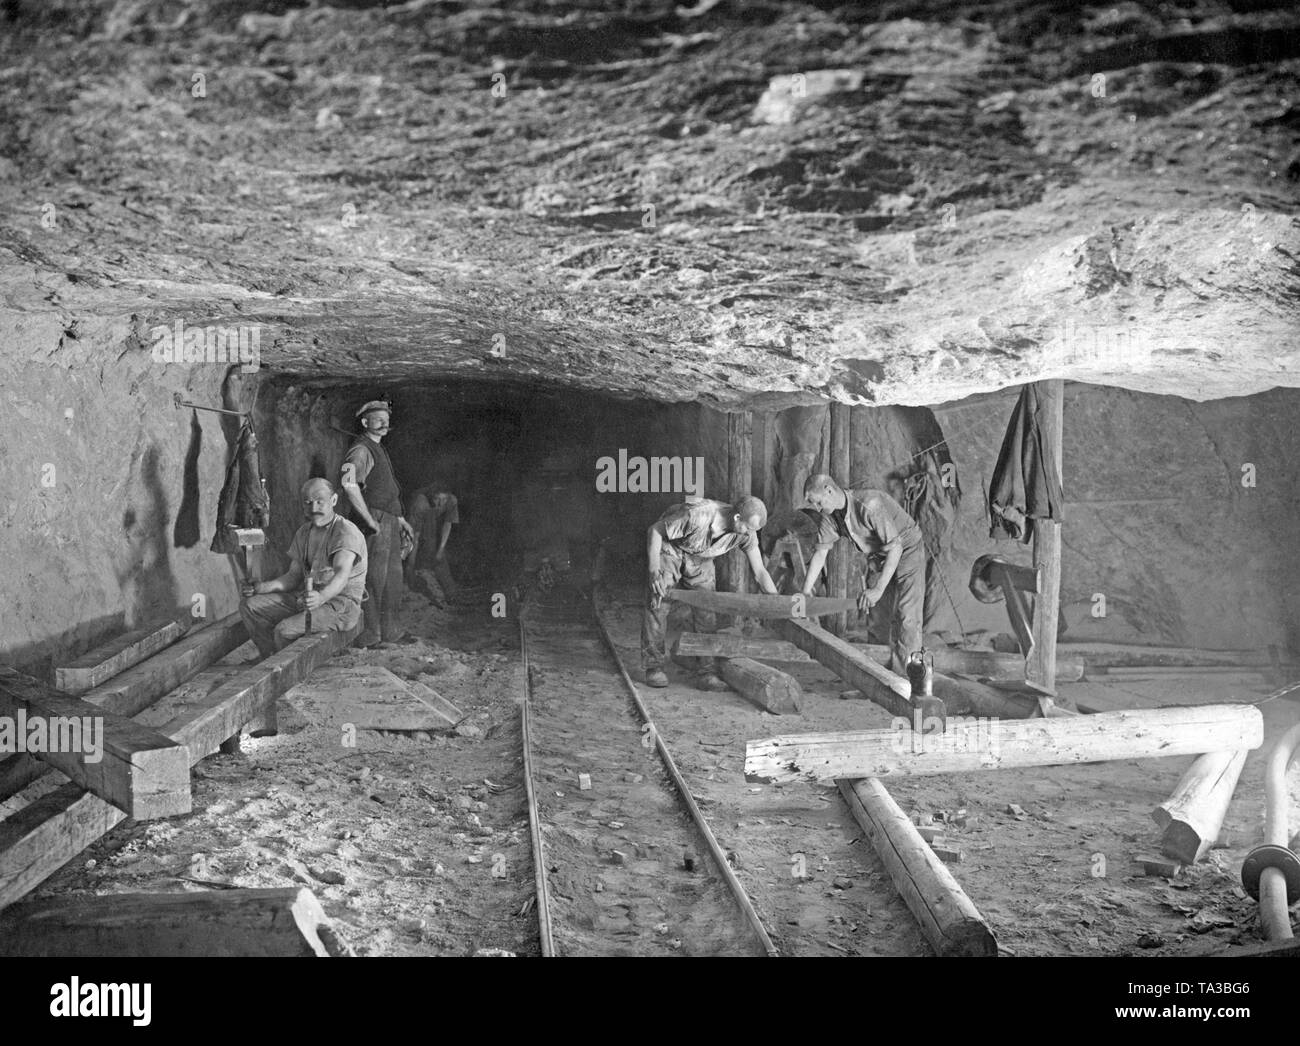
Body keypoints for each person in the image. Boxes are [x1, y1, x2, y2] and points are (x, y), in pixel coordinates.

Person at [642, 495, 780, 690]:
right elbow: (655, 531)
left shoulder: (747, 532)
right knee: (659, 600)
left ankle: (707, 672)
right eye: (748, 527)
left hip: (701, 556)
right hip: (671, 547)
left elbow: (759, 571)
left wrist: (777, 601)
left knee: (707, 609)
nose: (750, 533)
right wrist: (654, 571)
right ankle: (654, 667)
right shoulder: (698, 514)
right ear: (737, 518)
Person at [800, 473, 925, 675]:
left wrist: (877, 588)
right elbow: (821, 552)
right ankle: (878, 677)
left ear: (829, 491)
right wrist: (805, 592)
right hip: (880, 555)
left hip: (907, 550)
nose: (817, 508)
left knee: (907, 616)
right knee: (876, 616)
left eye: (818, 502)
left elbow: (896, 548)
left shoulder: (870, 504)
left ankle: (906, 681)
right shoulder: (829, 517)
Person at [239, 478, 367, 658]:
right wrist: (261, 587)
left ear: (334, 501)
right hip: (308, 598)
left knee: (284, 630)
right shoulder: (304, 533)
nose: (314, 508)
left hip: (340, 605)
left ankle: (284, 668)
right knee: (249, 606)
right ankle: (270, 658)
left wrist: (321, 597)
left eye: (320, 502)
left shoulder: (345, 532)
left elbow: (341, 576)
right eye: (308, 503)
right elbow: (293, 577)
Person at [340, 401, 415, 648]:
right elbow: (349, 484)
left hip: (389, 519)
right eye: (378, 419)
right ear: (365, 423)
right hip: (376, 520)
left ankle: (390, 632)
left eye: (386, 419)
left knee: (392, 579)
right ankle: (369, 635)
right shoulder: (361, 450)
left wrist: (400, 519)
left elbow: (386, 489)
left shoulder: (377, 448)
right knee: (373, 579)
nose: (384, 423)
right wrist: (370, 520)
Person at [405, 485, 459, 597]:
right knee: (428, 545)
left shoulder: (451, 500)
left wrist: (441, 549)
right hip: (417, 516)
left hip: (433, 516)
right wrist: (410, 566)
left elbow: (447, 524)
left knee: (439, 554)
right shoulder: (420, 503)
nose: (440, 503)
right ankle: (409, 577)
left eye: (444, 500)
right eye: (437, 499)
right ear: (431, 497)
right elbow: (415, 537)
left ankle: (451, 594)